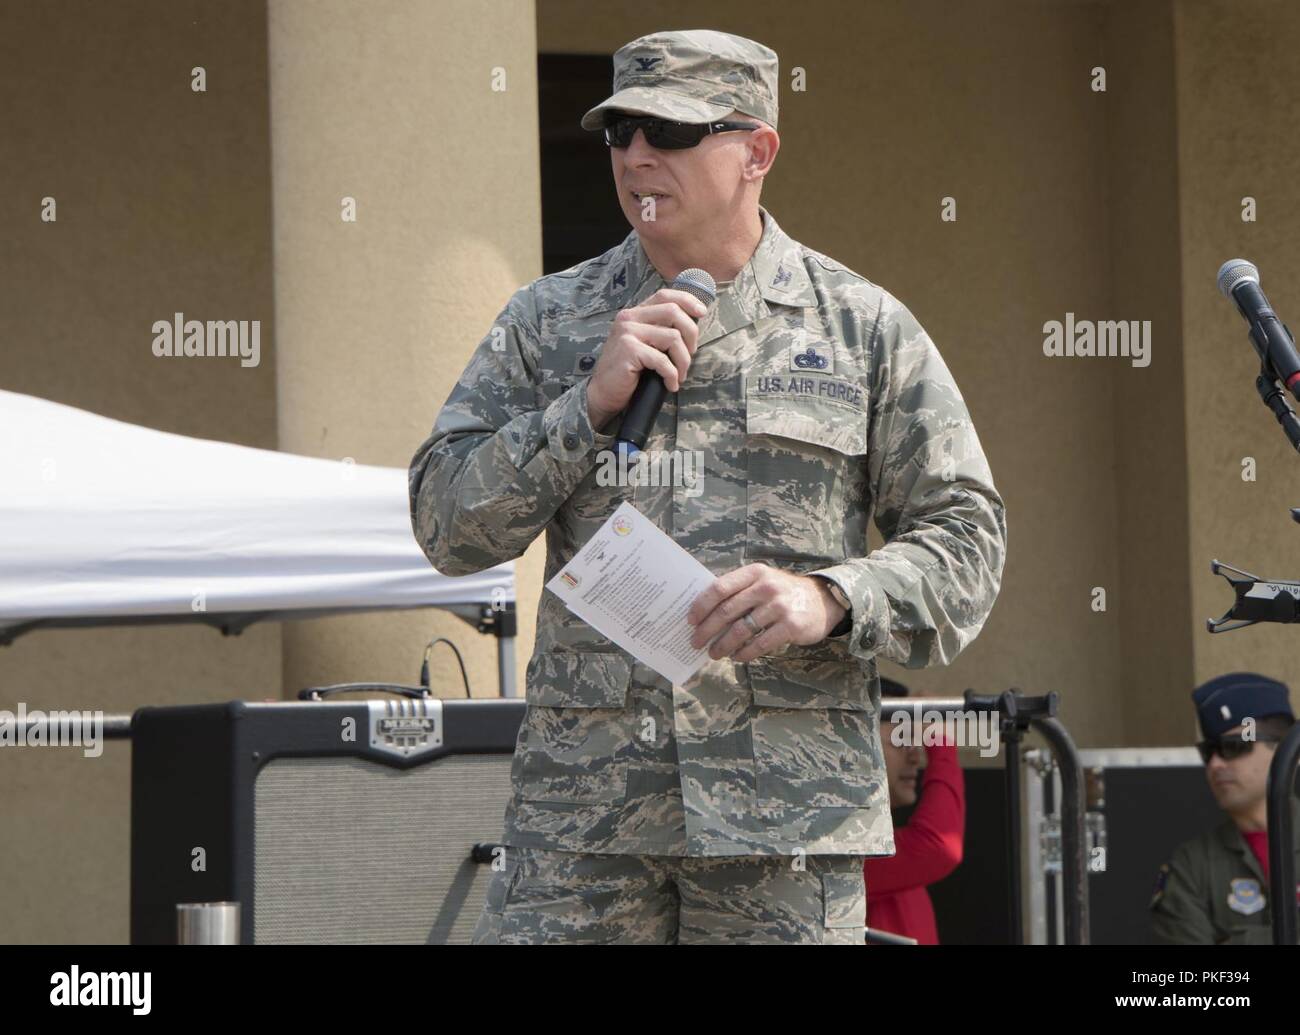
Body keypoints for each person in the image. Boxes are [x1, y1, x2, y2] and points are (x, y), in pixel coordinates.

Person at [409, 28, 1007, 944]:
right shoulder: (549, 321)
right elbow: (445, 521)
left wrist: (832, 597)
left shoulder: (861, 329)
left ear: (757, 150)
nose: (638, 155)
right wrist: (583, 408)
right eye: (620, 133)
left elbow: (967, 536)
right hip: (585, 828)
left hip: (783, 828)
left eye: (671, 131)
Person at [1149, 672, 1300, 944]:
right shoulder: (1192, 865)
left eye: (1234, 747)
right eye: (1209, 752)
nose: (1215, 764)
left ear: (1282, 750)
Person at [865, 678, 965, 945]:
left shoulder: (888, 846)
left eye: (914, 740)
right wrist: (941, 738)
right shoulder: (835, 849)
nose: (915, 756)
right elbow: (941, 845)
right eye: (900, 740)